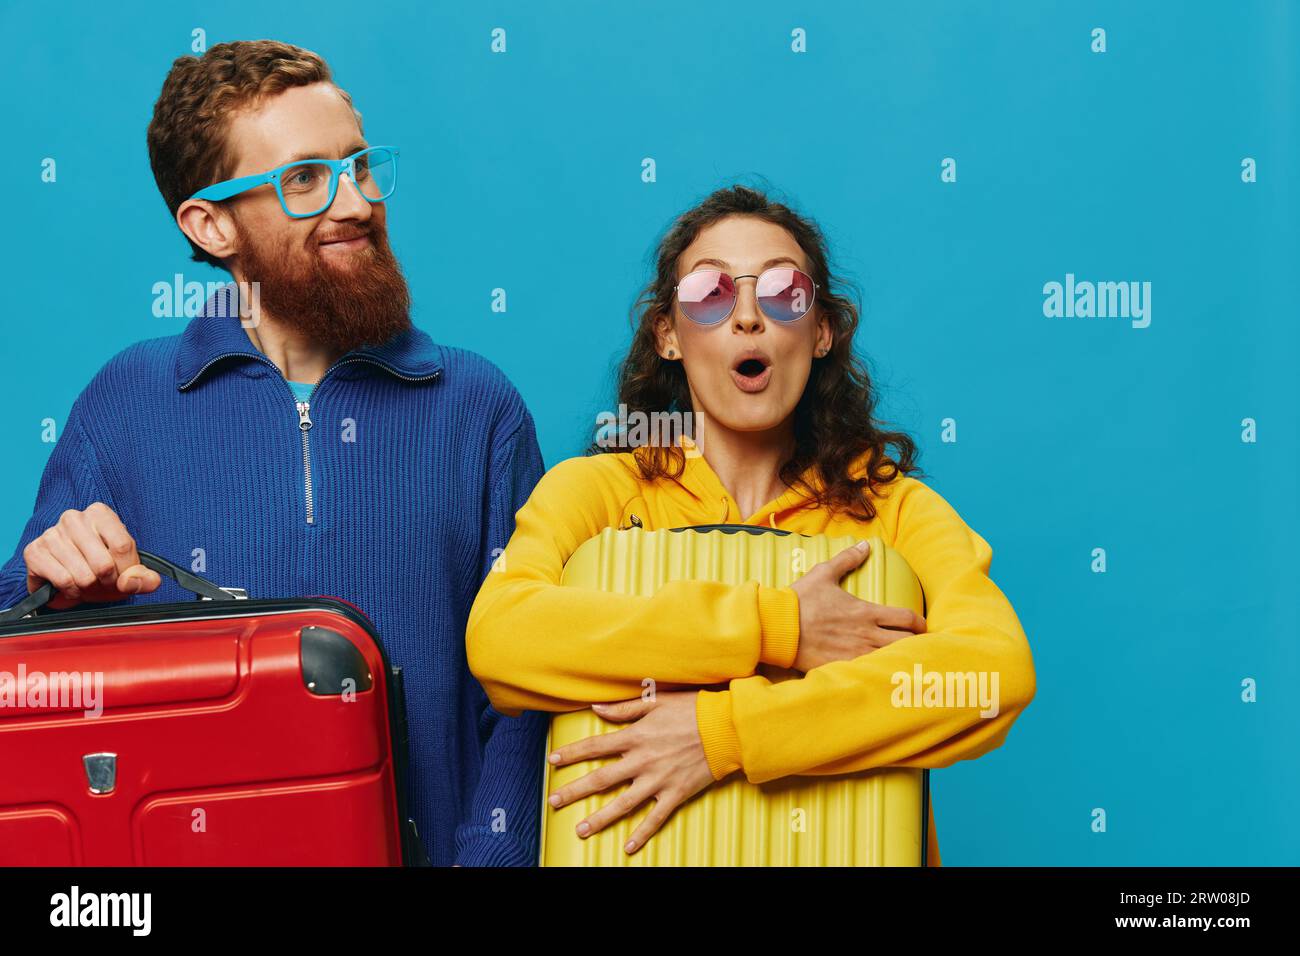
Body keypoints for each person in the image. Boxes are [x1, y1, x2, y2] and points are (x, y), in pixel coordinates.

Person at [0, 40, 548, 867]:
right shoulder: (125, 402)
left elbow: (526, 689)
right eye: (305, 180)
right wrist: (54, 584)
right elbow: (22, 648)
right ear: (211, 224)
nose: (355, 201)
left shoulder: (477, 407)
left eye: (359, 165)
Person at [467, 184, 1037, 863]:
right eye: (709, 293)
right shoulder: (594, 493)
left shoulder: (895, 510)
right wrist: (781, 629)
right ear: (668, 336)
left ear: (821, 330)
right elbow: (503, 639)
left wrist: (726, 734)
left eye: (782, 292)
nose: (746, 317)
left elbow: (992, 674)